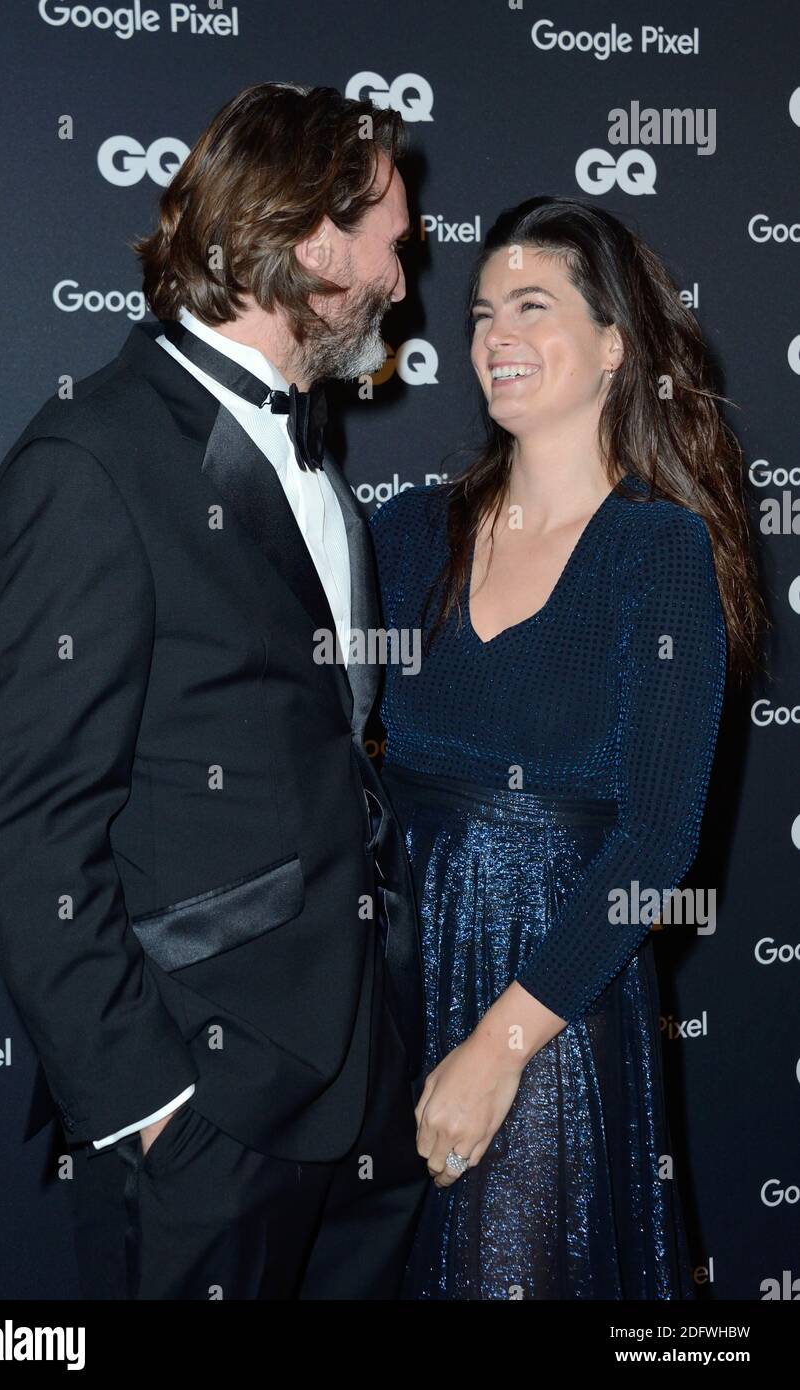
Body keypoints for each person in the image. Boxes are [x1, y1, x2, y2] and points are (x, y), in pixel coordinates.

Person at [0, 82, 429, 1300]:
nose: (401, 281)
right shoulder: (94, 461)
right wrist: (154, 1110)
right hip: (209, 1116)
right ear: (311, 238)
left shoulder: (314, 462)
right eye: (390, 242)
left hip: (362, 1089)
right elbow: (33, 835)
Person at [369, 195, 766, 1300]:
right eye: (483, 311)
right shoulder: (407, 530)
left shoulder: (657, 553)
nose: (492, 335)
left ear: (612, 346)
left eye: (530, 308)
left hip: (550, 1002)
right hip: (390, 983)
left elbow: (653, 843)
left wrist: (499, 1050)